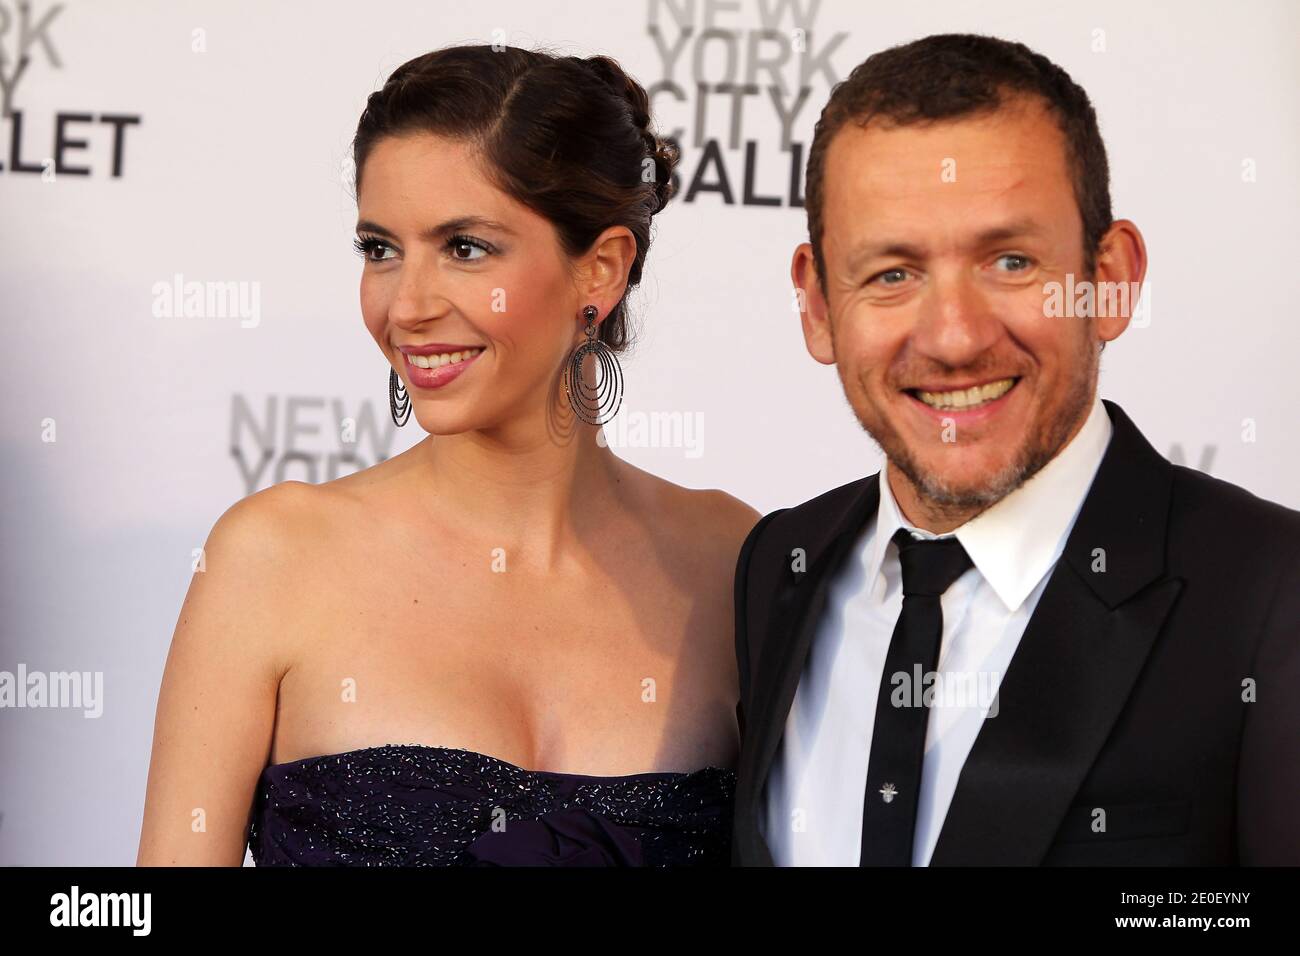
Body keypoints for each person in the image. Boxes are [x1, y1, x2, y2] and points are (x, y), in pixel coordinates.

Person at [137, 44, 759, 867]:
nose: (408, 305)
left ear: (601, 270)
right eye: (380, 248)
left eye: (465, 248)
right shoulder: (272, 559)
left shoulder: (729, 562)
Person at [732, 33, 1300, 866]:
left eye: (1009, 261)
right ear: (817, 305)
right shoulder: (776, 566)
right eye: (892, 273)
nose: (955, 339)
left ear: (1110, 278)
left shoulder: (1274, 597)